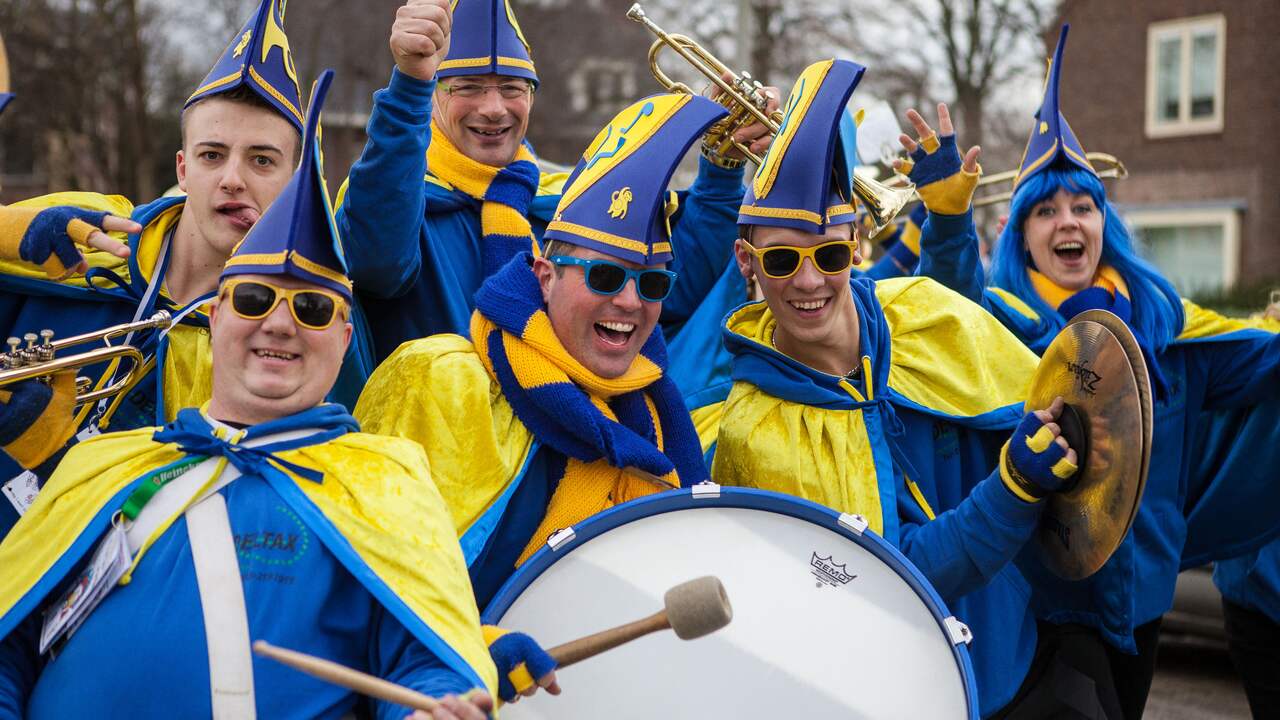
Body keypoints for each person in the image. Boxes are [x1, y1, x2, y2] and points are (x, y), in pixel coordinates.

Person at [0, 71, 496, 720]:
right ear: (216, 316)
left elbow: (427, 664)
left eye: (313, 308)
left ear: (345, 337)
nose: (281, 323)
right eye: (256, 299)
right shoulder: (104, 468)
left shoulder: (386, 488)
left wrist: (443, 696)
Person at [908, 26, 1280, 719]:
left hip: (1144, 605)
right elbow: (952, 315)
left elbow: (1264, 367)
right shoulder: (1009, 327)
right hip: (1044, 613)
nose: (1066, 221)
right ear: (1022, 236)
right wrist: (950, 225)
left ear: (1104, 221)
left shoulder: (1168, 328)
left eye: (1082, 205)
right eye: (1044, 211)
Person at [708, 58, 1095, 718]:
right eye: (781, 259)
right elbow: (882, 577)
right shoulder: (754, 432)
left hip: (1030, 664)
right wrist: (1014, 488)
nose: (808, 282)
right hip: (902, 694)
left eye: (828, 254)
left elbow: (1043, 376)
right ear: (747, 262)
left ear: (854, 243)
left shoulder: (918, 309)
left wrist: (948, 226)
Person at [355, 93, 727, 702]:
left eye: (652, 283)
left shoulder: (656, 421)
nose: (631, 303)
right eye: (604, 276)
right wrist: (470, 646)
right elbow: (369, 580)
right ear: (544, 273)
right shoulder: (439, 379)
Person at [0, 0, 370, 538]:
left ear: (297, 177)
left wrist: (51, 459)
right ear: (182, 167)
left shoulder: (298, 328)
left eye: (262, 160)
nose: (233, 180)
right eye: (212, 155)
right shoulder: (80, 231)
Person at [333, 0, 776, 364]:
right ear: (433, 98)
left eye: (512, 88)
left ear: (532, 98)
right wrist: (410, 84)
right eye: (467, 87)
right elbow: (378, 265)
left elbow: (673, 291)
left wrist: (721, 167)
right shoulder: (399, 194)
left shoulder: (570, 197)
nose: (493, 107)